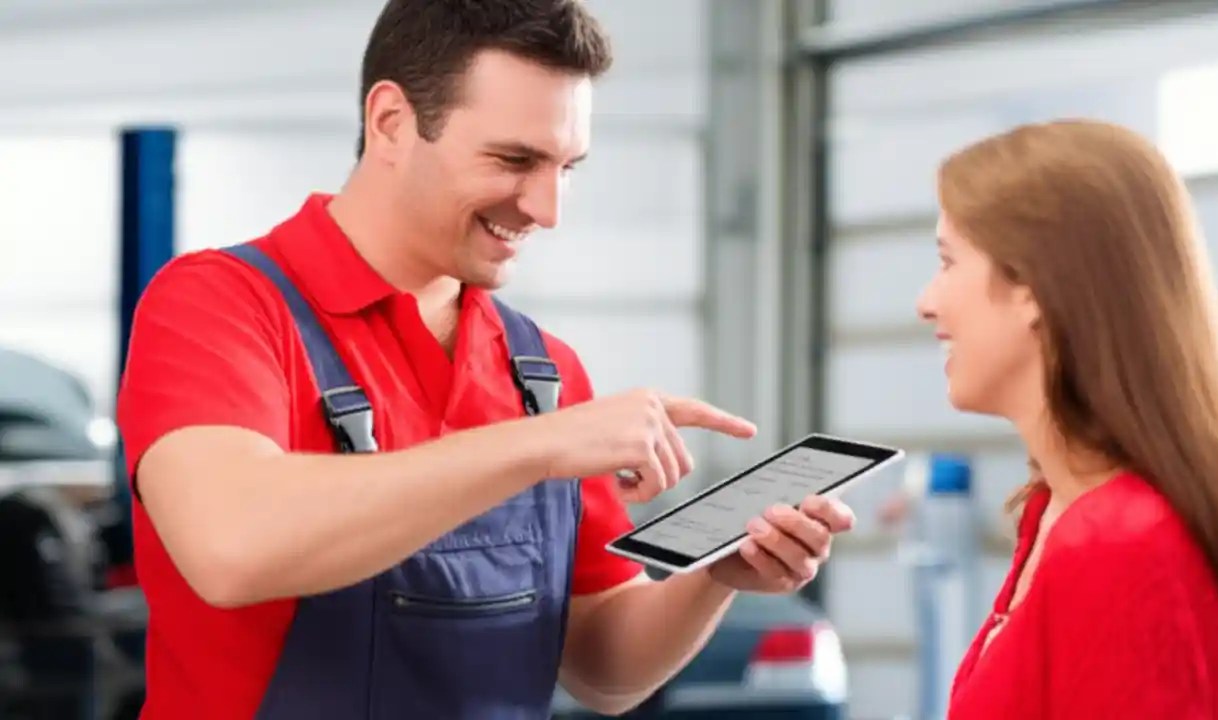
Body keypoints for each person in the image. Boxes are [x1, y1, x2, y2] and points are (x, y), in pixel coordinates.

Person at [114, 1, 856, 718]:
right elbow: (232, 545)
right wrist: (539, 446)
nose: (548, 208)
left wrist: (713, 575)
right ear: (391, 122)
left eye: (568, 167)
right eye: (515, 159)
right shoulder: (221, 306)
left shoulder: (541, 372)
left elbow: (604, 671)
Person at [915, 118, 1218, 718]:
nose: (926, 300)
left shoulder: (1119, 541)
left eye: (948, 262)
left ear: (1031, 283)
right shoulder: (1052, 513)